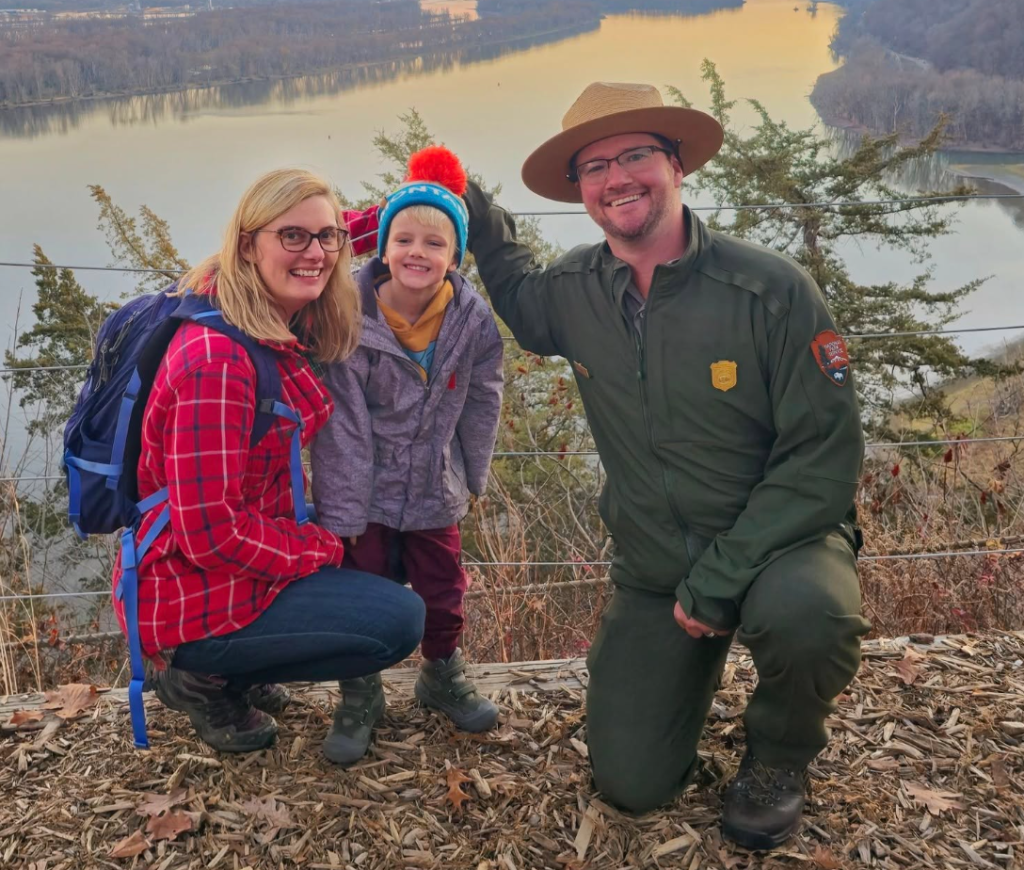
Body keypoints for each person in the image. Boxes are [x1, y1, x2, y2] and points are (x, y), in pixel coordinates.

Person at [461, 82, 870, 849]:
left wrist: (722, 579)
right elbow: (517, 293)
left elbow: (824, 454)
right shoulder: (574, 291)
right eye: (594, 166)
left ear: (677, 165)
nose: (617, 178)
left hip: (779, 547)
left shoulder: (771, 291)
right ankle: (683, 676)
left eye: (637, 155)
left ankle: (779, 755)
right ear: (581, 190)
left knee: (810, 615)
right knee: (632, 784)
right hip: (654, 568)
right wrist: (474, 210)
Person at [110, 168, 425, 760]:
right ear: (248, 245)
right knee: (396, 619)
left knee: (391, 559)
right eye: (293, 238)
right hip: (190, 588)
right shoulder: (218, 365)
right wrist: (320, 548)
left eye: (326, 237)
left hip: (228, 563)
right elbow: (209, 533)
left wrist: (417, 201)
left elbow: (328, 238)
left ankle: (238, 664)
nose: (317, 254)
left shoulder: (240, 297)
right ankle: (202, 678)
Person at [312, 147, 504, 761]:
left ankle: (440, 672)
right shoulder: (349, 316)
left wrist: (474, 472)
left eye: (435, 243)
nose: (418, 253)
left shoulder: (472, 321)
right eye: (404, 239)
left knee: (444, 589)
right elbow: (338, 422)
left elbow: (483, 396)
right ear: (382, 247)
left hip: (432, 489)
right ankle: (360, 689)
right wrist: (341, 508)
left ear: (456, 256)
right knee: (362, 590)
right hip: (361, 493)